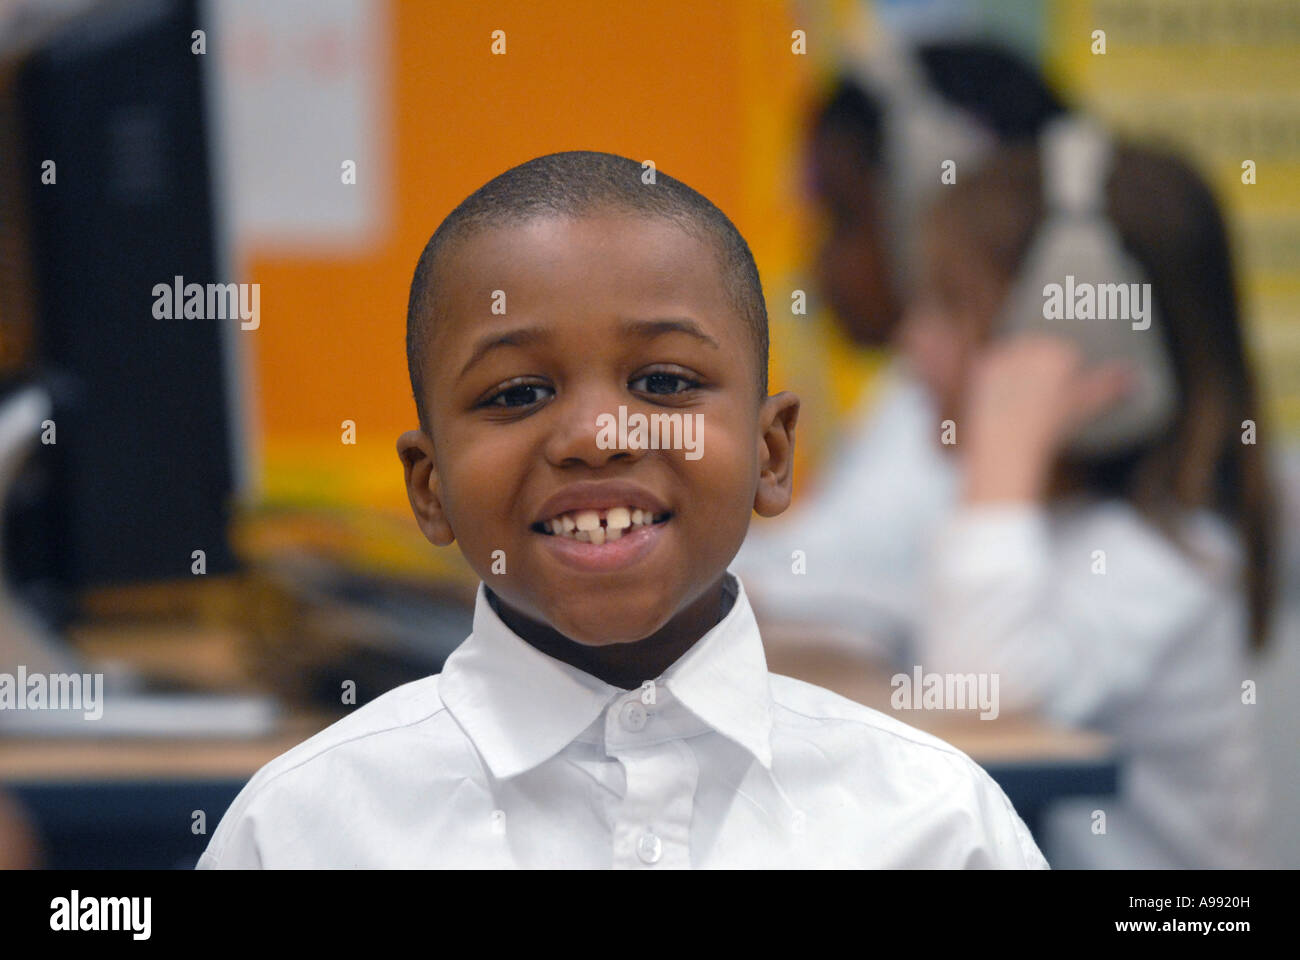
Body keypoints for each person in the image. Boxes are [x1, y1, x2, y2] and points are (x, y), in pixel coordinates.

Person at [198, 151, 1047, 868]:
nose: (597, 436)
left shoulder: (935, 826)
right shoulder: (304, 834)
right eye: (518, 392)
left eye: (665, 383)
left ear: (772, 452)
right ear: (430, 488)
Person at [901, 118, 1276, 868]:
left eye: (949, 307)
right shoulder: (1068, 529)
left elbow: (980, 697)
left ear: (1082, 341)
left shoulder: (1173, 559)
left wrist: (1005, 449)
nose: (915, 341)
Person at [735, 41, 1069, 654]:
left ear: (930, 205)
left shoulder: (970, 420)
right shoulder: (913, 399)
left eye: (842, 218)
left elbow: (809, 579)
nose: (817, 264)